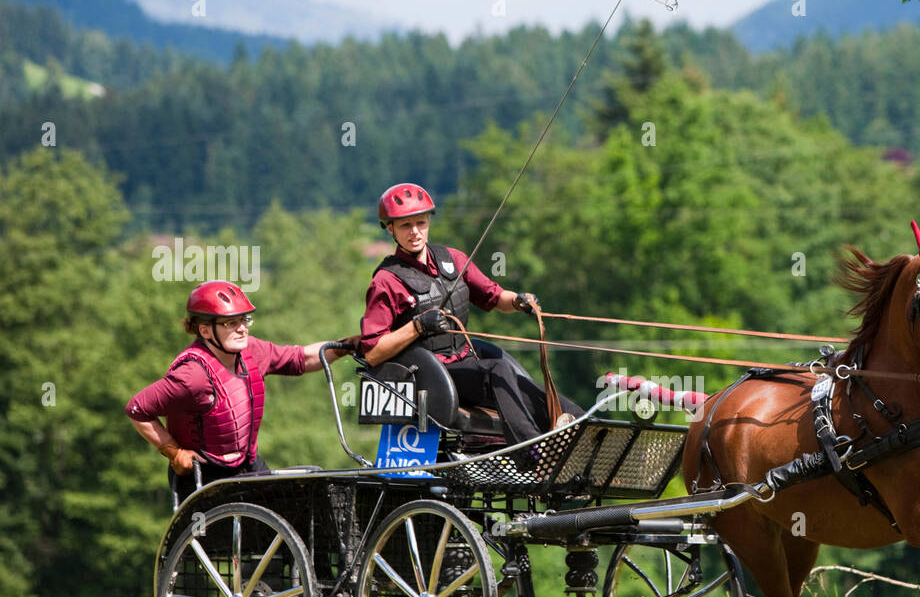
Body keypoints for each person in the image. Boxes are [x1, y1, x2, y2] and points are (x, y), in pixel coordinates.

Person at [358, 182, 582, 447]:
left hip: (467, 363)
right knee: (496, 371)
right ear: (390, 228)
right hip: (430, 375)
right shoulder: (386, 281)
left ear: (429, 221)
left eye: (421, 222)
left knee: (527, 388)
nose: (415, 232)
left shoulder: (452, 258)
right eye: (406, 225)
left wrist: (520, 301)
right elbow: (372, 352)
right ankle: (532, 449)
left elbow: (495, 296)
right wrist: (418, 327)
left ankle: (580, 428)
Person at [126, 280, 353, 500]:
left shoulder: (252, 351)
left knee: (289, 514)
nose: (242, 329)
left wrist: (349, 346)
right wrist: (174, 452)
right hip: (204, 475)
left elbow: (302, 358)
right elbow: (137, 409)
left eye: (244, 320)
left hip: (247, 464)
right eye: (230, 323)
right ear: (205, 331)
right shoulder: (192, 375)